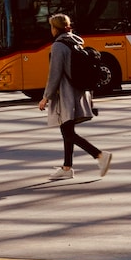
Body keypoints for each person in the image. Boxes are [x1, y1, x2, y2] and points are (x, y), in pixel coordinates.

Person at [37, 14, 113, 181]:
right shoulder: (75, 41)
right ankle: (67, 167)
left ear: (55, 28)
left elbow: (54, 74)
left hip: (66, 95)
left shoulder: (58, 46)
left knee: (68, 132)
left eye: (51, 27)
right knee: (67, 131)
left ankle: (100, 155)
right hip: (78, 92)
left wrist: (45, 97)